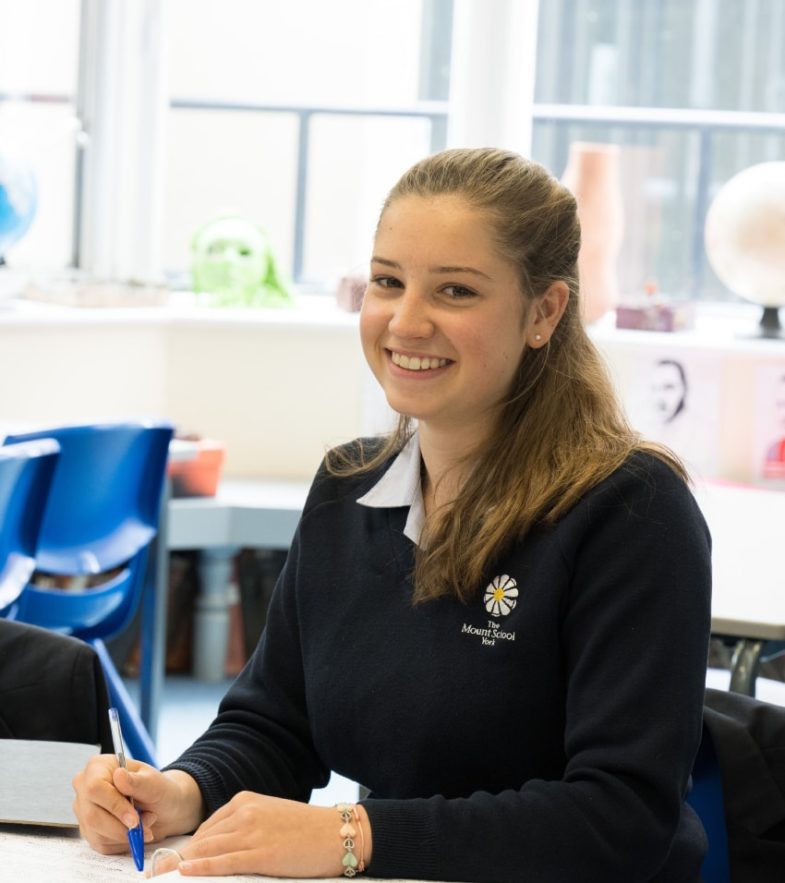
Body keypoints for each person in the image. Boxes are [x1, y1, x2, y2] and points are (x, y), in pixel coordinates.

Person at [72, 148, 712, 881]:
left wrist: (353, 833)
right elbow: (274, 724)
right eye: (387, 281)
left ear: (544, 312)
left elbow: (619, 816)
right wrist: (177, 792)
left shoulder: (630, 511)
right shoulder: (349, 487)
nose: (405, 321)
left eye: (456, 291)